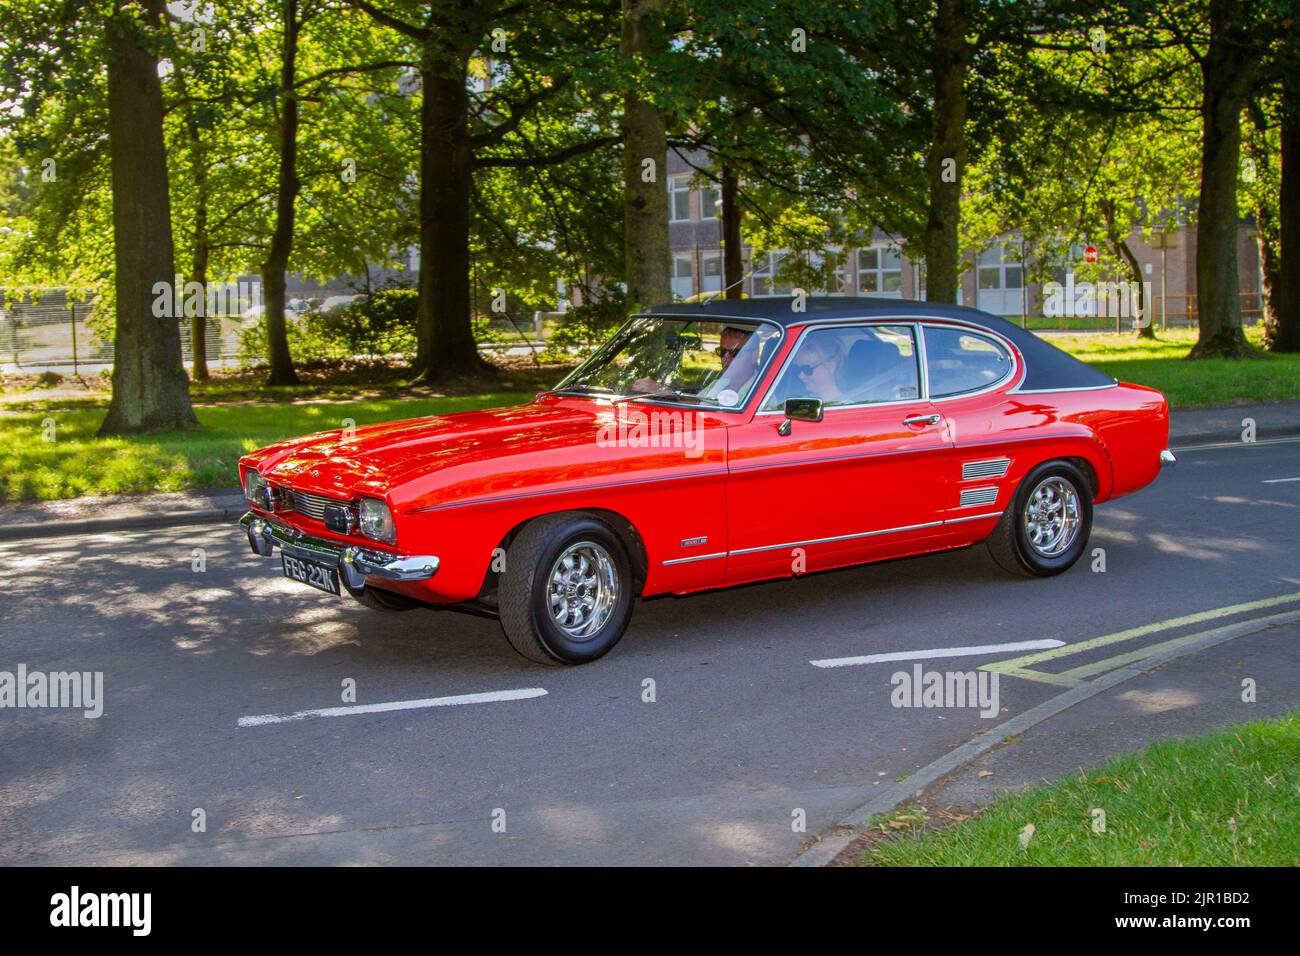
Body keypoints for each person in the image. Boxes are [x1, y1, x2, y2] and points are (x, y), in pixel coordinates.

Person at [789, 333, 844, 404]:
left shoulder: (848, 408)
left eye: (807, 369)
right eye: (798, 369)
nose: (801, 376)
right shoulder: (801, 401)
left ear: (830, 366)